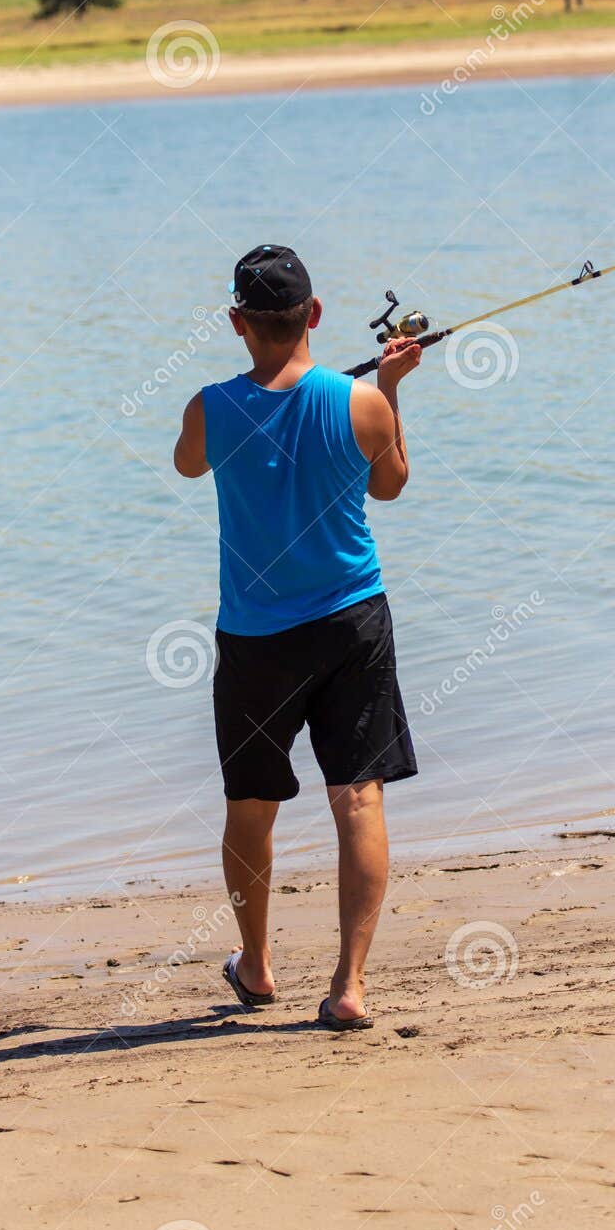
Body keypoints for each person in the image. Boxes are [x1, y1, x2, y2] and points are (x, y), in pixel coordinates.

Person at [173, 244, 420, 1030]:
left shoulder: (209, 406)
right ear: (313, 315)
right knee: (358, 796)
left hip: (256, 637)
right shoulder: (360, 404)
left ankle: (256, 966)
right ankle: (348, 984)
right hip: (352, 620)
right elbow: (390, 485)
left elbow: (186, 466)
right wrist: (384, 387)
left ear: (237, 322)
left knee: (250, 803)